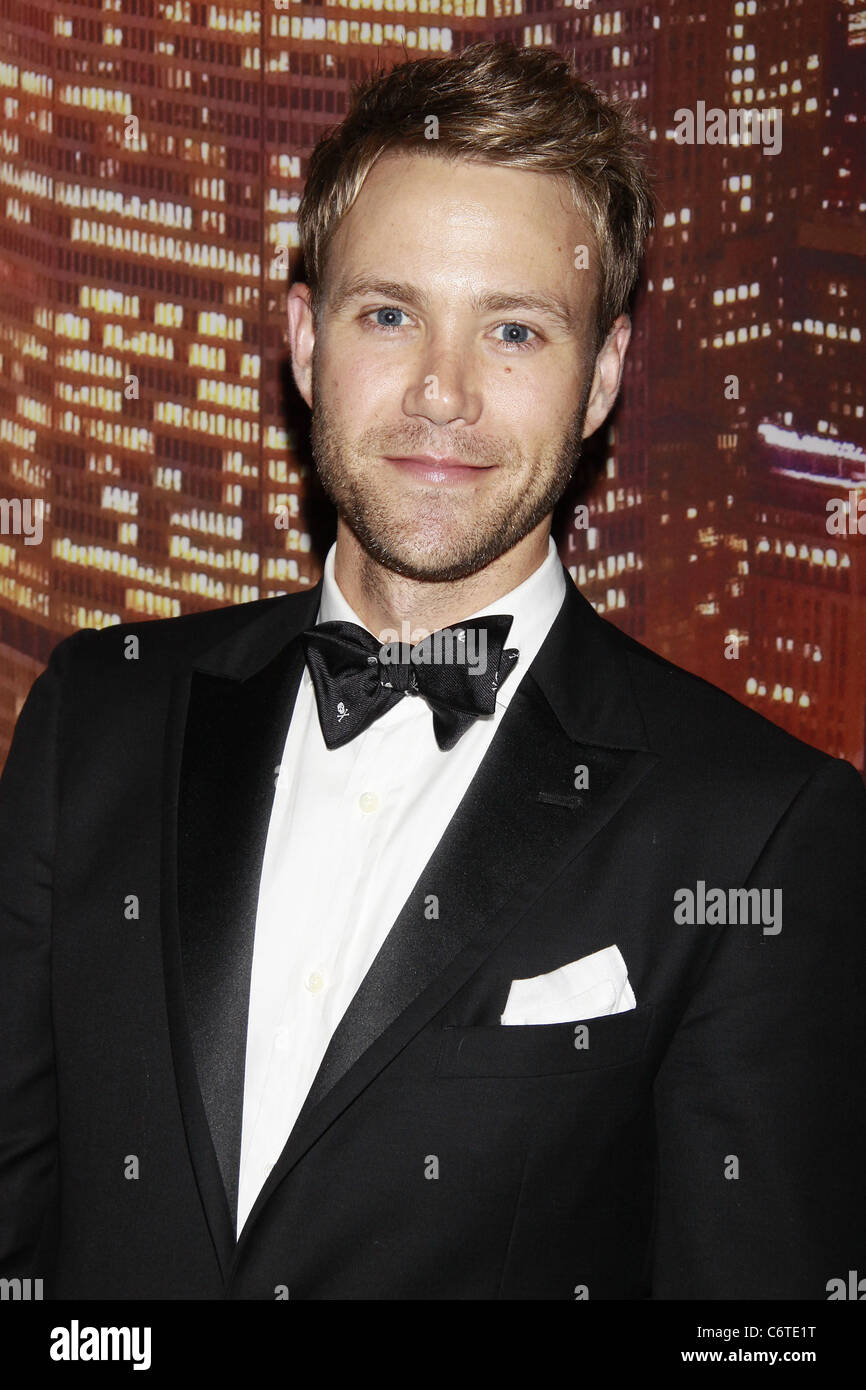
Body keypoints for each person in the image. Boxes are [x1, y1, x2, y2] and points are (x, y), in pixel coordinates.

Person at [1, 41, 863, 1301]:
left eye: (513, 329)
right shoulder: (97, 713)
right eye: (389, 313)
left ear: (602, 376)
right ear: (305, 340)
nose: (441, 395)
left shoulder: (756, 830)